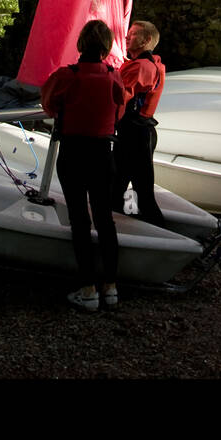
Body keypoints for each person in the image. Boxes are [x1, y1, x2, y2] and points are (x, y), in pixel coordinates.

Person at [41, 19, 126, 311]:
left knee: (80, 220)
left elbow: (48, 103)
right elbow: (120, 108)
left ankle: (88, 288)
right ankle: (111, 288)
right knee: (105, 219)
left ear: (80, 44)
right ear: (107, 47)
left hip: (73, 152)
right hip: (103, 152)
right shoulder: (114, 77)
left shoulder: (65, 76)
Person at [112, 20, 167, 228]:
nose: (127, 36)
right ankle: (122, 224)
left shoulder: (142, 67)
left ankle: (162, 237)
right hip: (136, 133)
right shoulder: (145, 64)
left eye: (133, 34)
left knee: (142, 192)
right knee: (118, 185)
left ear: (147, 40)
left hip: (136, 135)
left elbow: (120, 98)